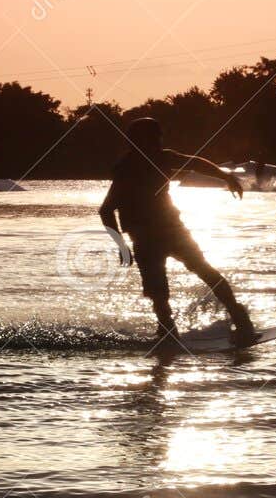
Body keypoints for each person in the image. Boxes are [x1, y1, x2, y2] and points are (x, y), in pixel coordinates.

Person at [99, 117, 256, 348]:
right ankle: (167, 329)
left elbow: (194, 163)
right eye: (155, 137)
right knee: (159, 287)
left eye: (158, 138)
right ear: (139, 140)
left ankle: (237, 317)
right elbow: (106, 210)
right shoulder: (126, 169)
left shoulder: (160, 157)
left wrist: (225, 177)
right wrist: (121, 247)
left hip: (169, 230)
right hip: (147, 236)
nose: (159, 141)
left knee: (201, 271)